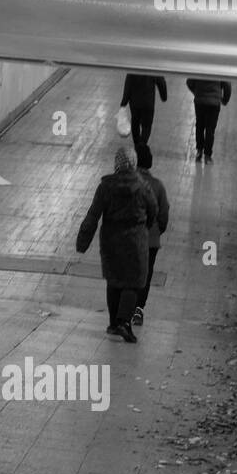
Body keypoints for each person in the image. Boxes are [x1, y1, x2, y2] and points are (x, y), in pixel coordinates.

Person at [75, 146, 157, 343]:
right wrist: (145, 224)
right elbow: (153, 209)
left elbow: (93, 215)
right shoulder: (143, 186)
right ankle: (124, 323)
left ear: (117, 164)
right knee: (134, 282)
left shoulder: (106, 186)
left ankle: (113, 323)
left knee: (114, 280)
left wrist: (83, 241)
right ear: (134, 163)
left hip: (111, 240)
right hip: (135, 241)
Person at [132, 144, 169, 327]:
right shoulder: (158, 186)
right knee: (145, 273)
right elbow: (164, 215)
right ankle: (139, 309)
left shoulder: (128, 183)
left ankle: (125, 307)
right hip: (151, 240)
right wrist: (156, 230)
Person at [185, 78, 231, 163]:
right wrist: (224, 100)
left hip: (200, 102)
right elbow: (227, 85)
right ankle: (207, 156)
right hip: (214, 104)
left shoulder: (201, 65)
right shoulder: (221, 67)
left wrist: (196, 92)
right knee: (210, 129)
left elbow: (189, 81)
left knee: (199, 126)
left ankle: (199, 151)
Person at [119, 73, 167, 147]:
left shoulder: (134, 67)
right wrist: (164, 96)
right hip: (148, 102)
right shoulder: (153, 66)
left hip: (134, 102)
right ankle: (142, 145)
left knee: (135, 122)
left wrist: (123, 103)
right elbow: (161, 81)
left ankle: (136, 143)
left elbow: (128, 85)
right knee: (146, 126)